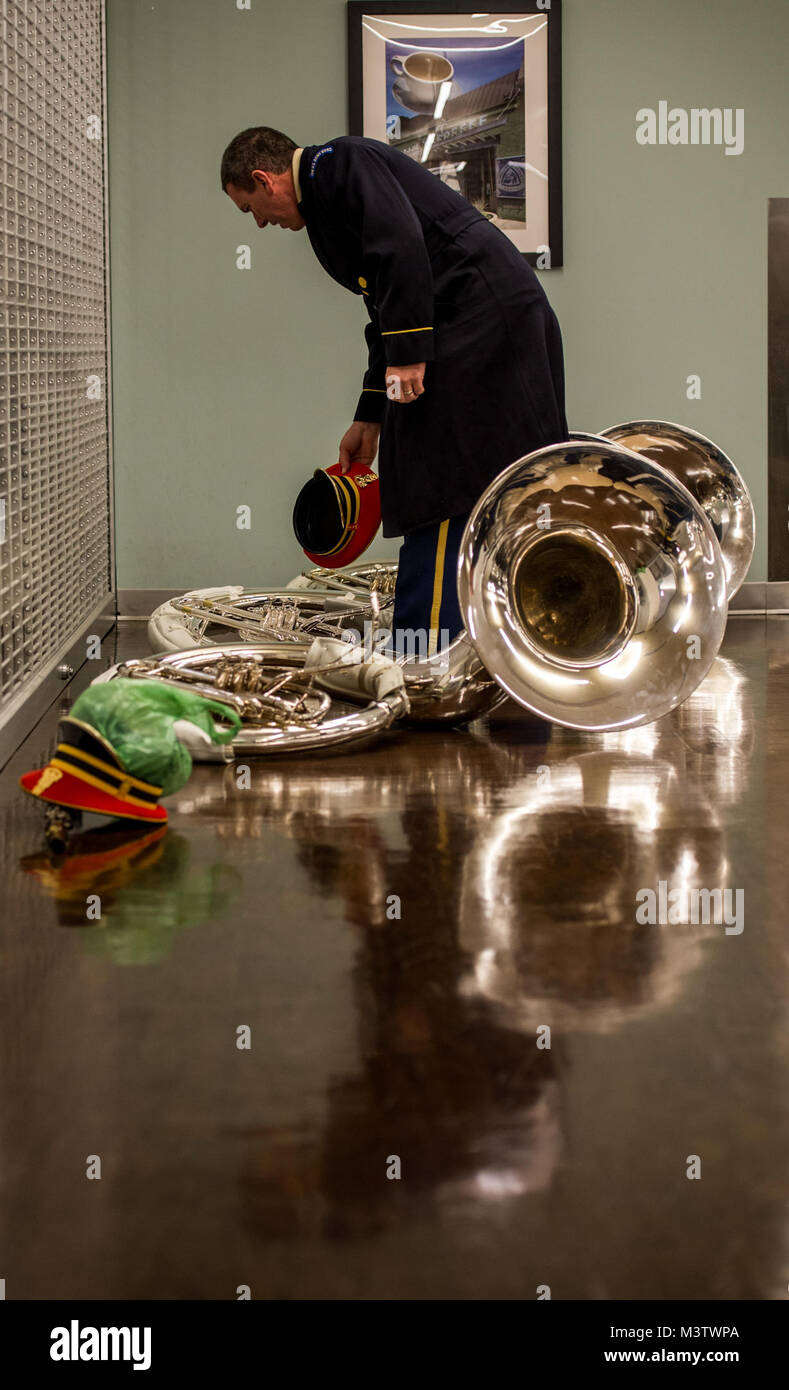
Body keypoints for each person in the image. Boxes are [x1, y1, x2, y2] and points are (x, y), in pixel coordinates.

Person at [221, 127, 568, 656]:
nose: (261, 223)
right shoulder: (326, 195)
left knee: (435, 475)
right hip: (469, 322)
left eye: (251, 209)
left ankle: (423, 648)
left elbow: (402, 247)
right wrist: (370, 416)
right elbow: (382, 307)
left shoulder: (339, 163)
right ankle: (483, 636)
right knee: (457, 473)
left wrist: (407, 356)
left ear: (263, 180)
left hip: (481, 319)